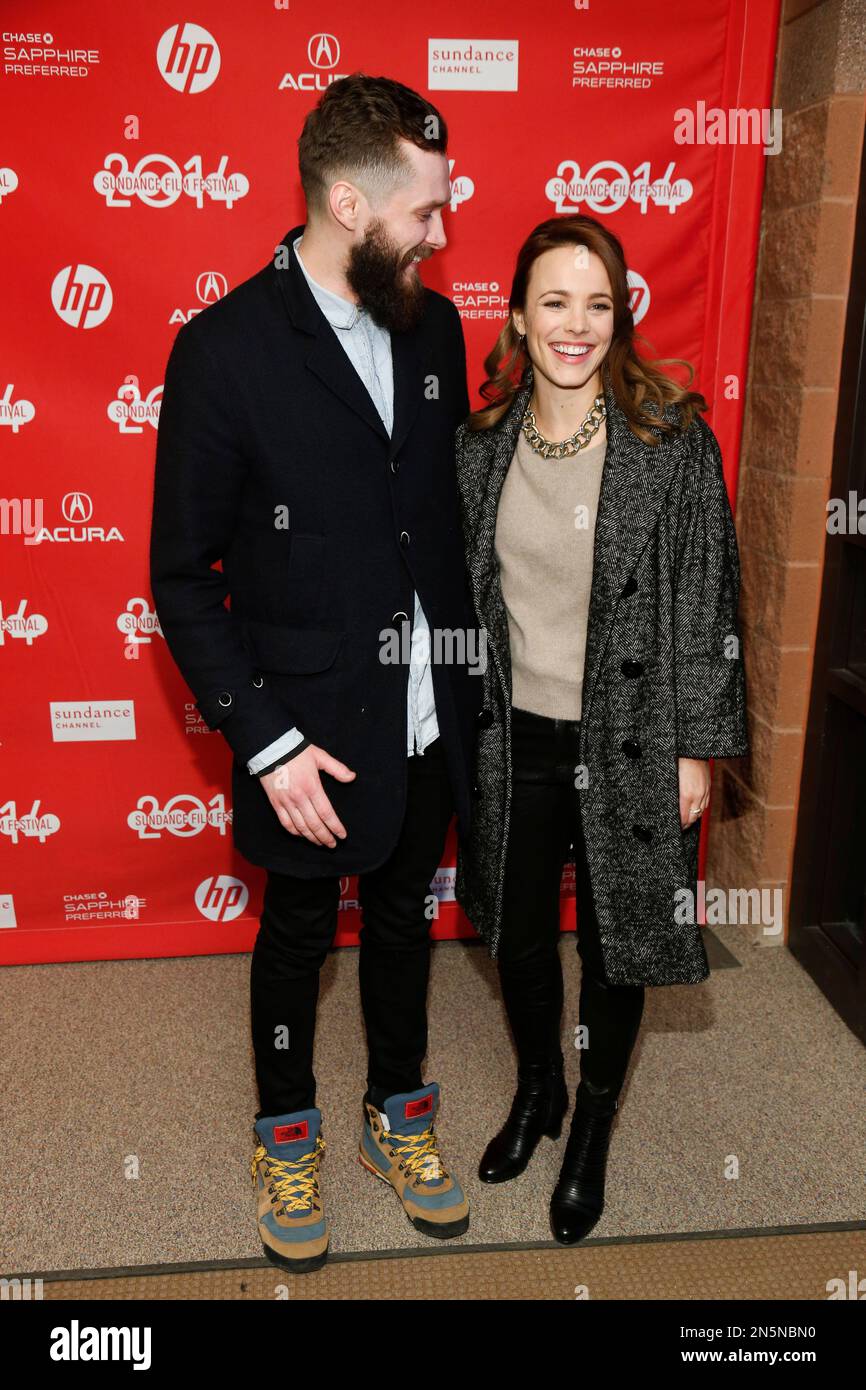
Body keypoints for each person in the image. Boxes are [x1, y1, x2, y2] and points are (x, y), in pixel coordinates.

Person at [150, 73, 483, 1275]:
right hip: (303, 724)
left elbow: (439, 525)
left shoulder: (436, 326)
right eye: (426, 211)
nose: (443, 233)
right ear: (348, 201)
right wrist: (268, 740)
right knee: (298, 929)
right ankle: (284, 1131)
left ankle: (398, 1113)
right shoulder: (225, 352)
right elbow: (181, 577)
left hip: (426, 703)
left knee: (402, 914)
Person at [454, 213, 749, 1244]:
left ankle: (589, 1131)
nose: (575, 324)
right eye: (553, 301)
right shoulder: (479, 446)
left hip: (628, 733)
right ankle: (538, 1088)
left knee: (617, 941)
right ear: (518, 317)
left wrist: (697, 747)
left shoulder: (669, 439)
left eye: (595, 301)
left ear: (620, 312)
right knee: (517, 933)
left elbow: (708, 599)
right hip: (513, 734)